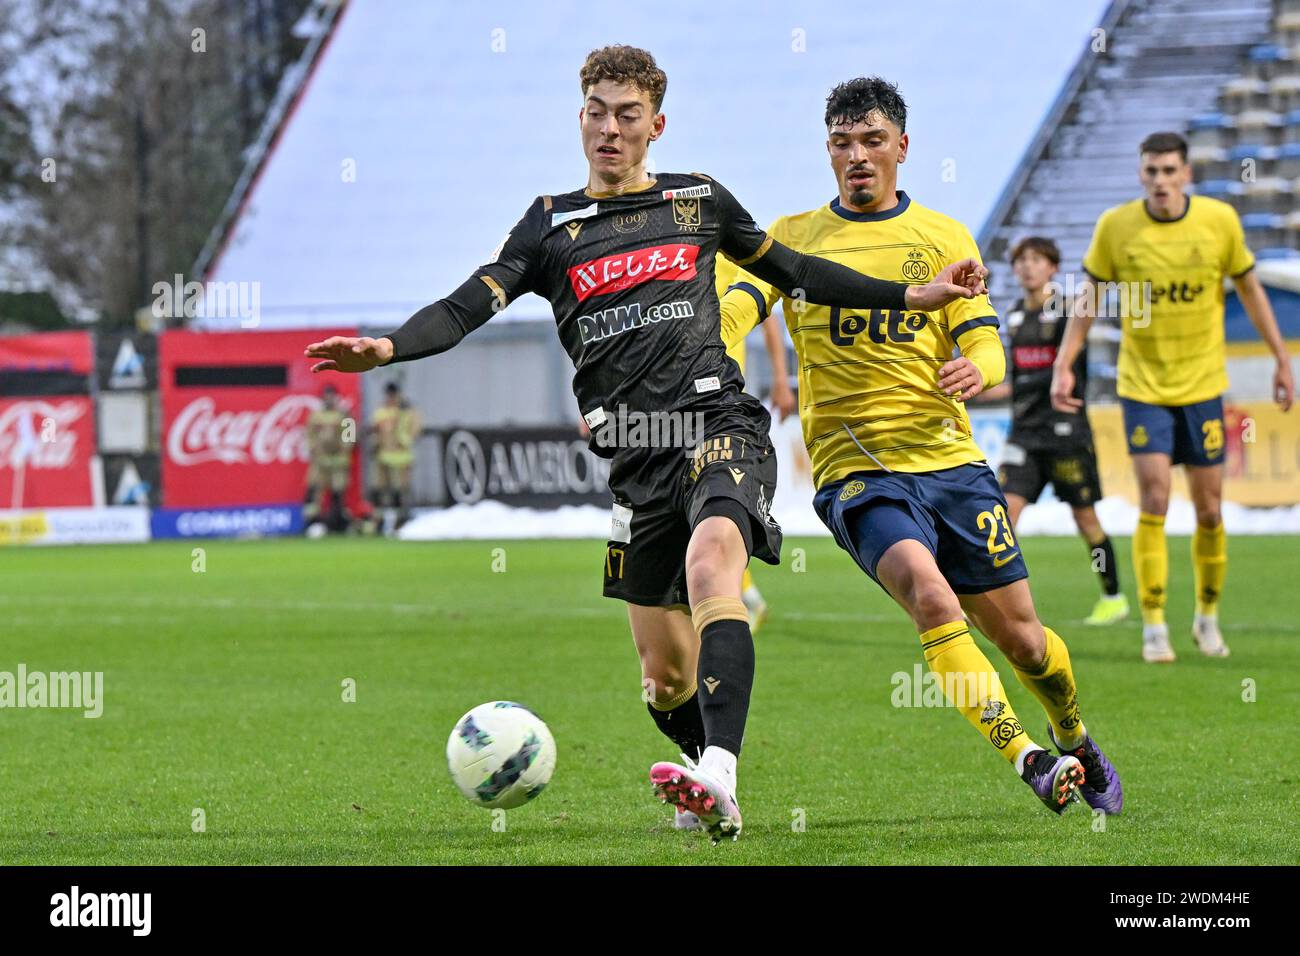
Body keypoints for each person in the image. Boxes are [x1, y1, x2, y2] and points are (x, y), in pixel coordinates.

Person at [306, 46, 984, 841]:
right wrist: (387, 350)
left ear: (655, 125)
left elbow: (799, 271)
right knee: (664, 680)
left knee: (711, 568)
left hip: (718, 427)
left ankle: (721, 774)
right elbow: (468, 305)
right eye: (597, 110)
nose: (610, 128)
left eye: (628, 115)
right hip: (635, 461)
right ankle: (709, 782)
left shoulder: (698, 202)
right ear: (581, 118)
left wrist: (913, 294)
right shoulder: (549, 224)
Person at [721, 77, 1122, 815]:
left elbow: (987, 340)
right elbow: (734, 309)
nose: (857, 157)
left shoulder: (942, 238)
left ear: (902, 147)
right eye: (842, 144)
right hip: (858, 473)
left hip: (952, 466)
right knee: (928, 594)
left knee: (1030, 647)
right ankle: (1029, 759)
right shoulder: (792, 240)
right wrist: (711, 352)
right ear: (828, 152)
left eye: (873, 141)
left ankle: (1072, 734)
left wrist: (981, 367)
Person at [1051, 131, 1294, 662]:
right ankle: (1154, 625)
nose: (1160, 181)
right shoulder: (1116, 228)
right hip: (1143, 386)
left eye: (1169, 171)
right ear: (1141, 174)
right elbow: (1087, 297)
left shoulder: (1219, 223)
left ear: (1187, 174)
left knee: (1209, 510)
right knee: (1155, 500)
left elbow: (1250, 289)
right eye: (1151, 171)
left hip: (1204, 387)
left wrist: (1280, 358)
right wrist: (1064, 363)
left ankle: (1206, 618)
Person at [979, 236, 1128, 626]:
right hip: (1024, 435)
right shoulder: (1012, 316)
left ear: (1053, 267)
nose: (1027, 266)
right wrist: (979, 388)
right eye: (1021, 260)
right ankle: (998, 602)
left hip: (1066, 433)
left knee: (1085, 519)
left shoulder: (1066, 312)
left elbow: (1061, 369)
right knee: (1002, 518)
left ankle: (1113, 597)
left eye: (1036, 259)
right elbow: (1021, 378)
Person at [715, 253, 797, 633]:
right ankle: (742, 597)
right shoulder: (663, 254)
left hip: (723, 402)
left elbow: (769, 321)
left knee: (720, 503)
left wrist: (781, 380)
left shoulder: (729, 254)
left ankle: (736, 600)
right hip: (674, 403)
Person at [370, 382, 420, 532]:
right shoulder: (381, 411)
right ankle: (379, 522)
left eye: (393, 395)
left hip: (402, 457)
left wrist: (404, 440)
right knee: (380, 490)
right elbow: (376, 432)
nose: (390, 398)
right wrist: (375, 445)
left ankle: (401, 522)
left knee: (400, 490)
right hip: (384, 456)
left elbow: (414, 432)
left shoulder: (407, 411)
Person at [304, 384, 352, 532]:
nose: (329, 399)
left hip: (338, 461)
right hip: (321, 460)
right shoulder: (315, 416)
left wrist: (343, 449)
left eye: (331, 396)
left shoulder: (344, 415)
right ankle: (313, 523)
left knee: (338, 491)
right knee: (315, 490)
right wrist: (315, 449)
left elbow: (350, 436)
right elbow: (310, 436)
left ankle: (336, 523)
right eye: (326, 396)